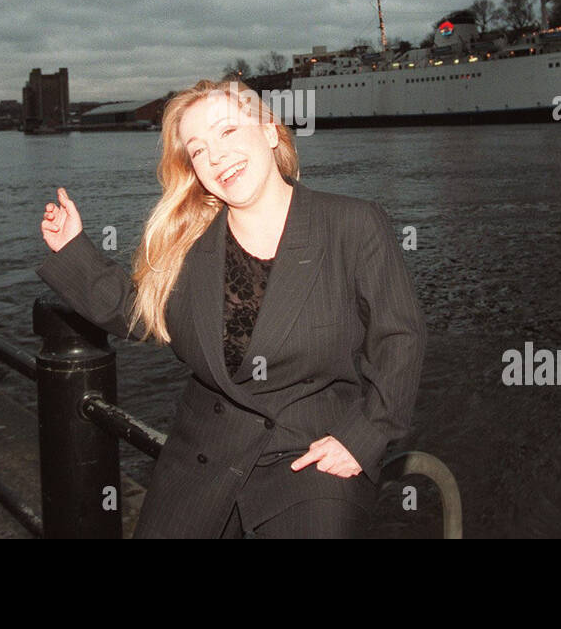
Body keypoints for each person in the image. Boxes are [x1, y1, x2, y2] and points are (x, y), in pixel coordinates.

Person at [35, 78, 426, 538]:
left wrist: (364, 438)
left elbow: (400, 337)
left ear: (269, 131)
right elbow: (142, 313)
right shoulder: (189, 242)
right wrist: (73, 251)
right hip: (202, 461)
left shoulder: (351, 224)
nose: (215, 156)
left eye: (226, 132)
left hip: (309, 457)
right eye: (197, 150)